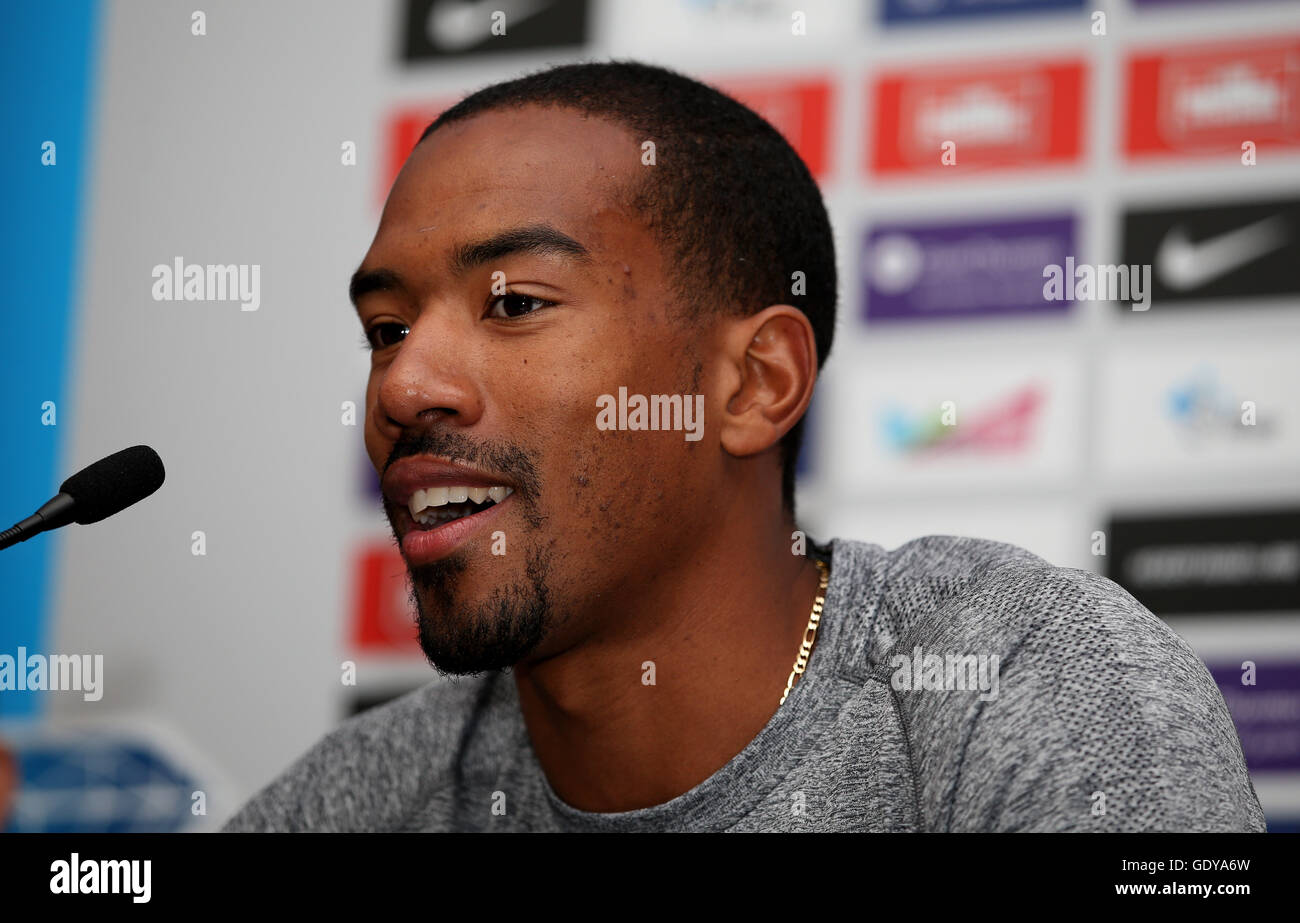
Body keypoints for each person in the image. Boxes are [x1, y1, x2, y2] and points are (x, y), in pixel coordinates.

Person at [223, 61, 1264, 832]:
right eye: (385, 329)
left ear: (753, 384)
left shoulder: (1015, 681)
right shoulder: (364, 798)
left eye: (515, 302)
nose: (403, 384)